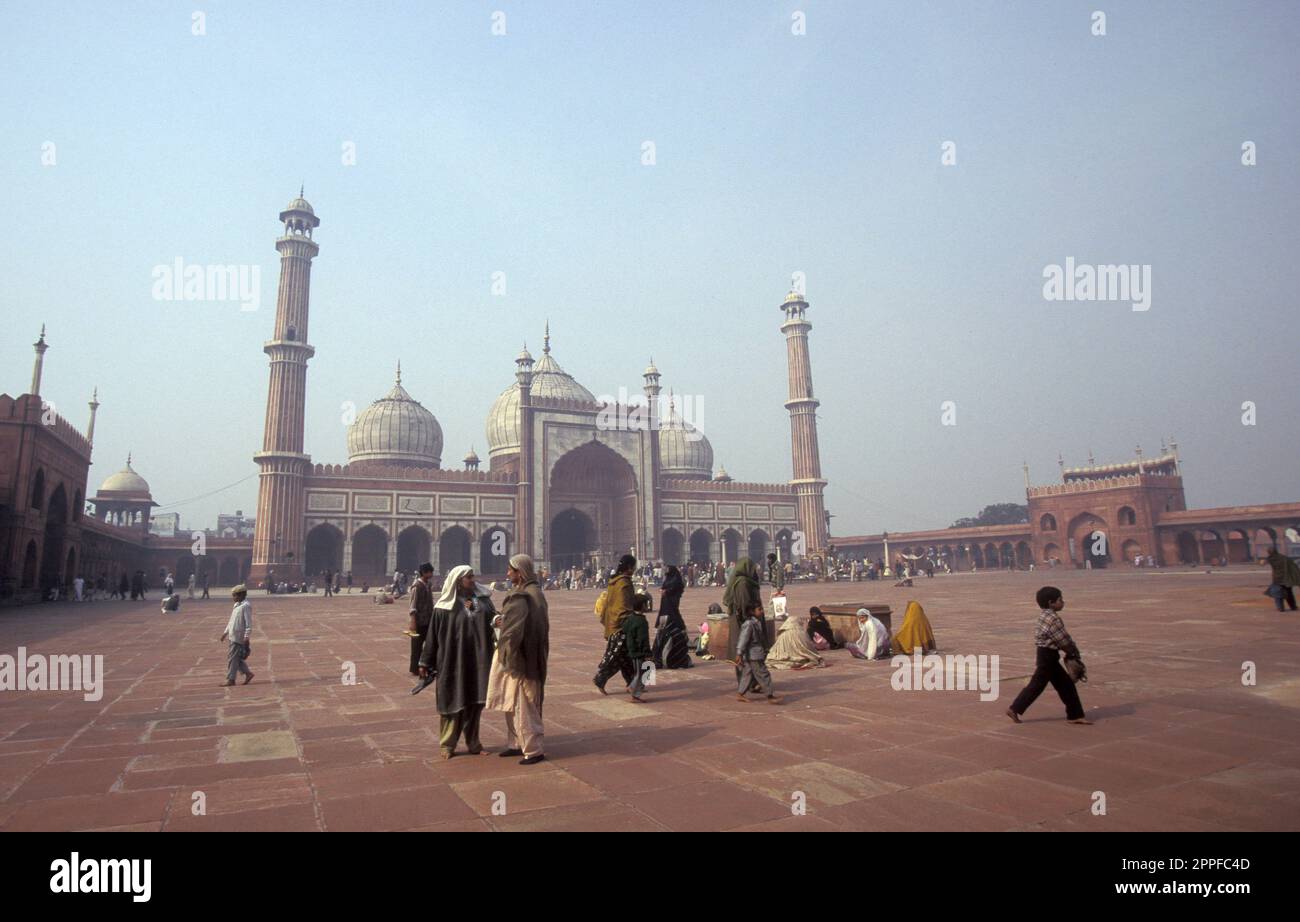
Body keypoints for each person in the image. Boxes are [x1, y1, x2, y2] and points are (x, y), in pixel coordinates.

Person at [419, 565, 496, 759]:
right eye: (468, 577)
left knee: (475, 703)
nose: (472, 580)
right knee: (452, 702)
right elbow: (432, 638)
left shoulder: (483, 602)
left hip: (478, 660)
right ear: (458, 582)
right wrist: (425, 662)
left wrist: (499, 621)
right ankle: (447, 745)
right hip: (452, 661)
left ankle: (474, 743)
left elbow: (494, 621)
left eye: (472, 576)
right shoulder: (444, 608)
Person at [487, 554, 549, 765]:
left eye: (510, 570)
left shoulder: (531, 595)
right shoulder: (524, 592)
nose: (507, 573)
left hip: (524, 657)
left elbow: (530, 630)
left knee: (525, 704)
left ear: (520, 573)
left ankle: (534, 750)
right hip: (517, 655)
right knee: (511, 701)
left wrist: (515, 653)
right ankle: (516, 743)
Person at [1007, 586, 1090, 724]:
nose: (1062, 602)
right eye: (1060, 600)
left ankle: (1075, 715)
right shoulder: (1053, 619)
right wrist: (1073, 652)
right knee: (1037, 686)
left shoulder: (1043, 615)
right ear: (1051, 602)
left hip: (1045, 655)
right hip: (1048, 657)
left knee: (1065, 686)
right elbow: (1063, 639)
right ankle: (1014, 708)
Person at [593, 554, 638, 694]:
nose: (634, 569)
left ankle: (633, 683)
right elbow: (623, 606)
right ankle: (600, 678)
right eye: (633, 567)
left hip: (613, 622)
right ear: (629, 567)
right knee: (616, 656)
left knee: (626, 657)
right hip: (621, 625)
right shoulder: (624, 582)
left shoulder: (614, 581)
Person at [723, 557, 765, 690]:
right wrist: (751, 619)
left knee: (748, 654)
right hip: (744, 622)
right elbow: (744, 605)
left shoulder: (745, 582)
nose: (754, 571)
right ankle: (748, 683)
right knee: (746, 653)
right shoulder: (742, 583)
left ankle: (750, 683)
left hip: (745, 621)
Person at [734, 602, 780, 703]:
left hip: (753, 654)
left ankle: (740, 694)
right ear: (752, 611)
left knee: (747, 674)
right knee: (764, 674)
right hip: (753, 654)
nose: (762, 612)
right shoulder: (749, 624)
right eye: (759, 609)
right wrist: (739, 653)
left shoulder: (755, 622)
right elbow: (743, 639)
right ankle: (770, 696)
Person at [651, 565, 693, 669]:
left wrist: (667, 591)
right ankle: (658, 659)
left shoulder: (676, 581)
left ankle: (662, 659)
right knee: (662, 636)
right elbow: (666, 588)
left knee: (667, 636)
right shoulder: (670, 579)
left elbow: (674, 588)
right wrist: (664, 590)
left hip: (670, 611)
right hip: (666, 611)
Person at [220, 585, 254, 687]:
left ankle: (231, 679)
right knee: (235, 657)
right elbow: (231, 621)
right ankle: (248, 673)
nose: (233, 598)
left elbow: (248, 624)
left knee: (232, 658)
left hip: (239, 636)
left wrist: (246, 636)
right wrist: (225, 633)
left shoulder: (246, 606)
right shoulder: (236, 605)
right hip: (232, 635)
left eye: (234, 596)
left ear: (241, 595)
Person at [407, 563, 436, 676]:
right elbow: (413, 604)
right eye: (430, 572)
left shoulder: (427, 584)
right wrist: (413, 621)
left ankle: (426, 665)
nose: (432, 574)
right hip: (419, 621)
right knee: (417, 646)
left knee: (429, 644)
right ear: (424, 572)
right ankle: (415, 668)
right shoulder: (417, 586)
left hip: (428, 620)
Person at [623, 592, 653, 702]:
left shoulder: (630, 618)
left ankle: (632, 688)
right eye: (646, 604)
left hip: (632, 650)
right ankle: (634, 692)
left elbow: (624, 629)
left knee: (639, 672)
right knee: (645, 672)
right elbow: (643, 639)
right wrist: (647, 653)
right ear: (642, 606)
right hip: (640, 651)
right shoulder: (641, 621)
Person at [1264, 548, 1299, 612]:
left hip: (1277, 579)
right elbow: (1293, 566)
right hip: (1287, 579)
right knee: (1289, 593)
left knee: (1278, 594)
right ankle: (1293, 607)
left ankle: (1280, 608)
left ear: (1269, 553)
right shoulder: (1284, 558)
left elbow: (1261, 563)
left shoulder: (1271, 558)